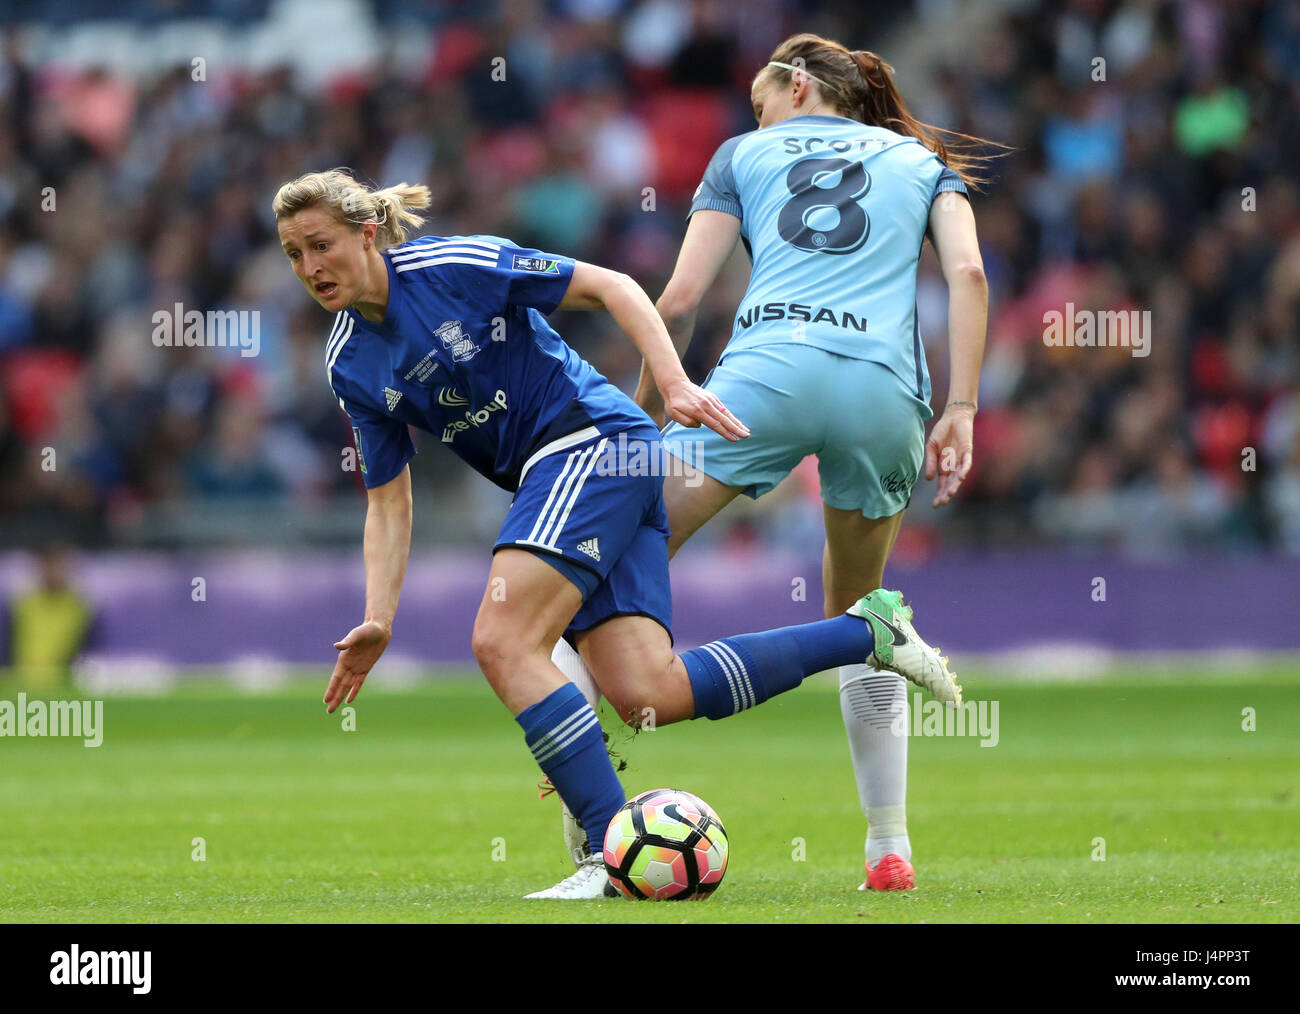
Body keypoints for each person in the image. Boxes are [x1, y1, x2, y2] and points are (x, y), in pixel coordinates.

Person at [273, 168, 959, 899]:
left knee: (503, 640)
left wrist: (672, 382)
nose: (311, 268)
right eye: (293, 254)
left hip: (591, 441)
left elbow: (614, 287)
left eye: (322, 245)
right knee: (646, 692)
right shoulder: (350, 360)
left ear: (366, 233)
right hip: (586, 468)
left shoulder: (453, 267)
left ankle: (606, 854)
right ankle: (868, 632)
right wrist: (379, 617)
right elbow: (387, 500)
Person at [629, 33, 994, 892]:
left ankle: (586, 813)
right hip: (883, 389)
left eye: (761, 99)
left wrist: (634, 421)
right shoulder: (920, 158)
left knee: (625, 548)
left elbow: (677, 301)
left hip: (765, 379)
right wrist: (964, 407)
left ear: (795, 84)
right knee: (860, 617)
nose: (757, 116)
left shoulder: (742, 153)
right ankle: (888, 847)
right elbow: (970, 272)